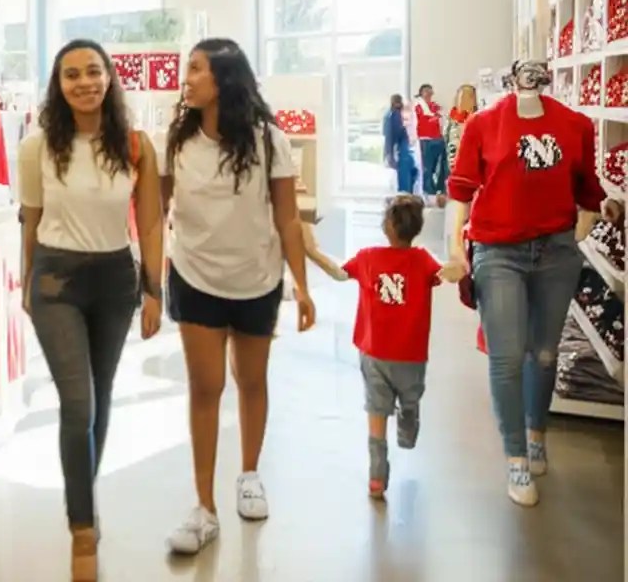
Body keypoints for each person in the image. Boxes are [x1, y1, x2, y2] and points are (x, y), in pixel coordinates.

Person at [18, 38, 164, 581]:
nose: (84, 82)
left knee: (100, 399)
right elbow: (30, 219)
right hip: (55, 279)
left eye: (93, 72)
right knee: (77, 403)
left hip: (114, 282)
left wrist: (154, 289)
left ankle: (84, 490)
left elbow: (150, 223)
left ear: (109, 77)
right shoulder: (38, 148)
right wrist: (25, 279)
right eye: (71, 74)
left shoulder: (135, 145)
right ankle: (83, 525)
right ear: (58, 85)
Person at [446, 60, 624, 506]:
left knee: (544, 355)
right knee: (506, 356)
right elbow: (460, 191)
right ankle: (515, 459)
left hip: (556, 252)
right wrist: (454, 249)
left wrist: (605, 208)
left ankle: (535, 431)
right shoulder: (483, 125)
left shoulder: (576, 125)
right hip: (498, 251)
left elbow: (586, 189)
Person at [163, 38, 313, 555]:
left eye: (197, 69)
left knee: (251, 381)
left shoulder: (269, 140)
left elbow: (287, 217)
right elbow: (155, 206)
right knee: (205, 387)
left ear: (223, 79)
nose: (187, 77)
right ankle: (203, 507)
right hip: (194, 276)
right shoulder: (178, 139)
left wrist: (302, 284)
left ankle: (249, 474)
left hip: (256, 280)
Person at [301, 195, 462, 498]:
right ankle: (408, 420)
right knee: (410, 397)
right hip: (411, 354)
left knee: (376, 408)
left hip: (373, 353)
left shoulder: (368, 257)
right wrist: (460, 259)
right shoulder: (424, 260)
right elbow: (447, 273)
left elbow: (337, 273)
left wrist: (312, 251)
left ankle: (377, 475)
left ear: (387, 225)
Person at [414, 83, 447, 205]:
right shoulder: (418, 106)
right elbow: (423, 121)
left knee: (439, 167)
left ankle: (438, 190)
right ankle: (429, 193)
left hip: (438, 139)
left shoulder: (434, 106)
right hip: (425, 140)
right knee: (427, 168)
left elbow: (442, 116)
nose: (429, 94)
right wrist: (435, 117)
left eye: (430, 91)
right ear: (421, 93)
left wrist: (435, 117)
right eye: (426, 91)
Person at [384, 94, 417, 194]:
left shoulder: (395, 114)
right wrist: (389, 153)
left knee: (409, 172)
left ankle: (406, 194)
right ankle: (405, 195)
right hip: (400, 148)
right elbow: (390, 135)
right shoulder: (393, 115)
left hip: (404, 148)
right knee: (404, 175)